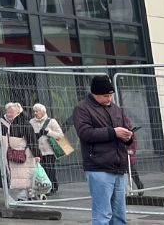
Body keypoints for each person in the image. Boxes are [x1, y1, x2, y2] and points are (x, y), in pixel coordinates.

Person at [73, 74, 133, 225]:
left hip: (118, 167)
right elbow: (85, 133)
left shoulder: (116, 109)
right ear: (95, 93)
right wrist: (114, 132)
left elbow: (126, 128)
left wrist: (128, 137)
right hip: (98, 168)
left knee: (119, 216)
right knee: (102, 215)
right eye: (105, 96)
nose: (109, 99)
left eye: (111, 95)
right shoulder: (82, 109)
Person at [0, 102, 39, 200]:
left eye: (12, 112)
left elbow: (32, 140)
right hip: (10, 154)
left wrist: (36, 154)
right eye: (8, 112)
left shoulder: (24, 124)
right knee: (18, 176)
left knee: (24, 176)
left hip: (23, 155)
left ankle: (25, 195)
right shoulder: (1, 123)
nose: (9, 114)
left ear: (18, 113)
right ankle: (23, 196)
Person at [29, 103, 65, 195]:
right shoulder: (31, 122)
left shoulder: (51, 121)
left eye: (37, 111)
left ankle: (52, 187)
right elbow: (30, 135)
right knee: (42, 170)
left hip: (50, 151)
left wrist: (48, 132)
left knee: (50, 169)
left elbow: (60, 136)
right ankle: (45, 187)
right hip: (38, 151)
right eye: (34, 111)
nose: (35, 113)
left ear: (43, 112)